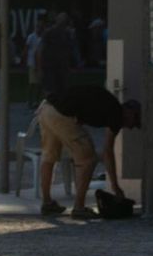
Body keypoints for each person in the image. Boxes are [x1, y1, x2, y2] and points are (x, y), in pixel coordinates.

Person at [36, 85, 141, 219]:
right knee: (88, 159)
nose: (131, 127)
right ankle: (79, 208)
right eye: (135, 121)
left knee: (49, 156)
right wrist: (115, 186)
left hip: (46, 108)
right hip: (62, 114)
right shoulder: (116, 113)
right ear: (129, 112)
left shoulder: (111, 106)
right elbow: (107, 152)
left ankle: (47, 203)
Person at [39, 12, 72, 98]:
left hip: (62, 67)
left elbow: (68, 50)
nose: (63, 22)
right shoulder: (48, 33)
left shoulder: (67, 34)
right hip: (49, 66)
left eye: (65, 21)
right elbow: (41, 50)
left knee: (62, 90)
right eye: (61, 20)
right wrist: (40, 67)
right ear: (57, 20)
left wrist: (67, 66)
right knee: (49, 89)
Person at [24, 18, 45, 109]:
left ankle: (36, 101)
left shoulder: (43, 37)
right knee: (32, 83)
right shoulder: (31, 37)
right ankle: (29, 100)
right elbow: (26, 48)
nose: (39, 29)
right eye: (38, 27)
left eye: (41, 27)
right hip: (32, 62)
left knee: (39, 83)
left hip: (40, 62)